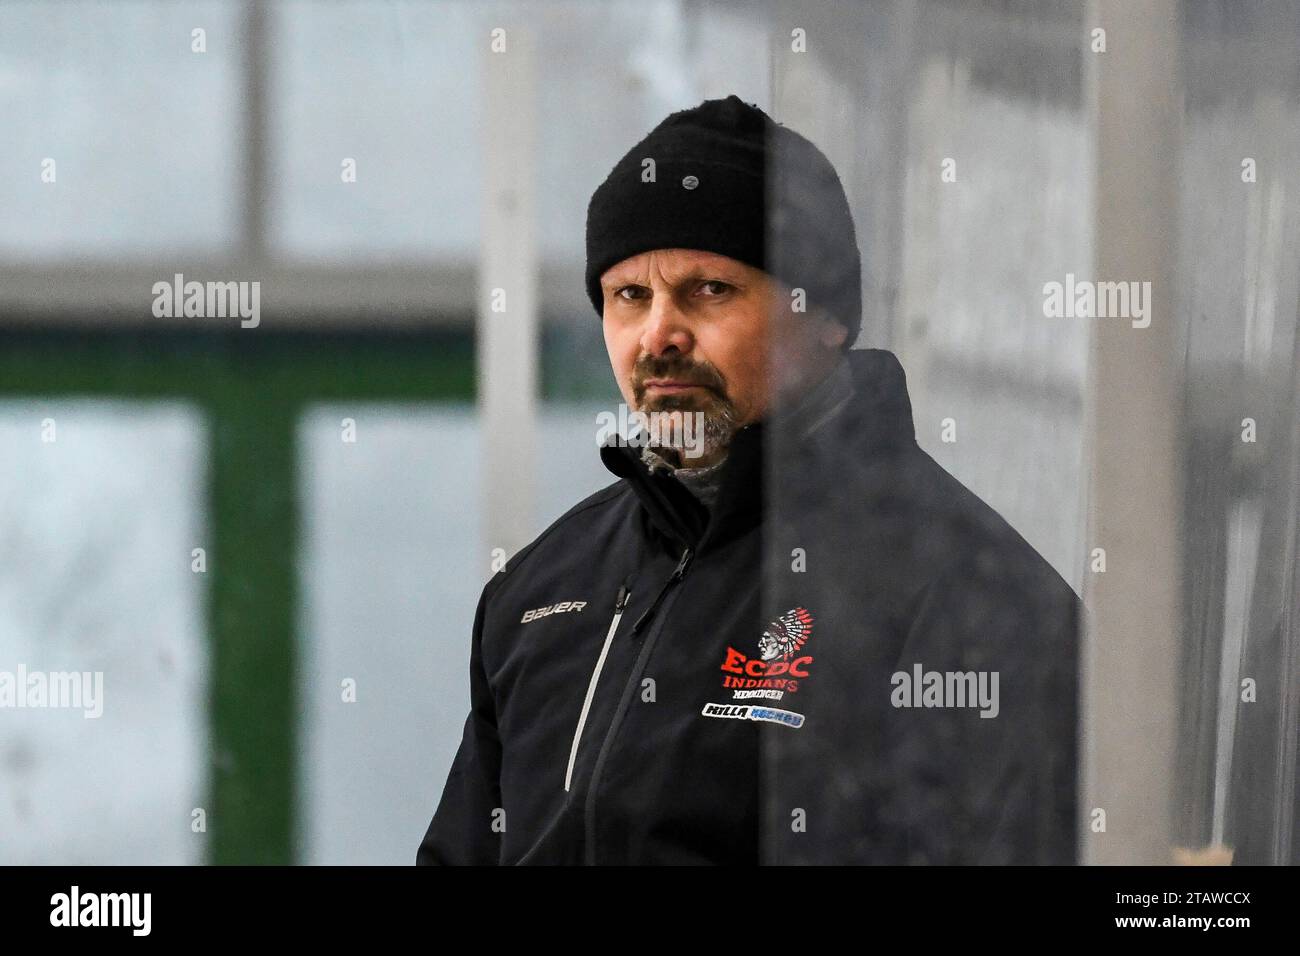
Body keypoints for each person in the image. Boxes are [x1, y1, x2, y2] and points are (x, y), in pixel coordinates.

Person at [417, 94, 1079, 865]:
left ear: (827, 315)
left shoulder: (971, 598)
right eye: (630, 296)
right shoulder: (540, 591)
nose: (658, 334)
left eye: (709, 291)